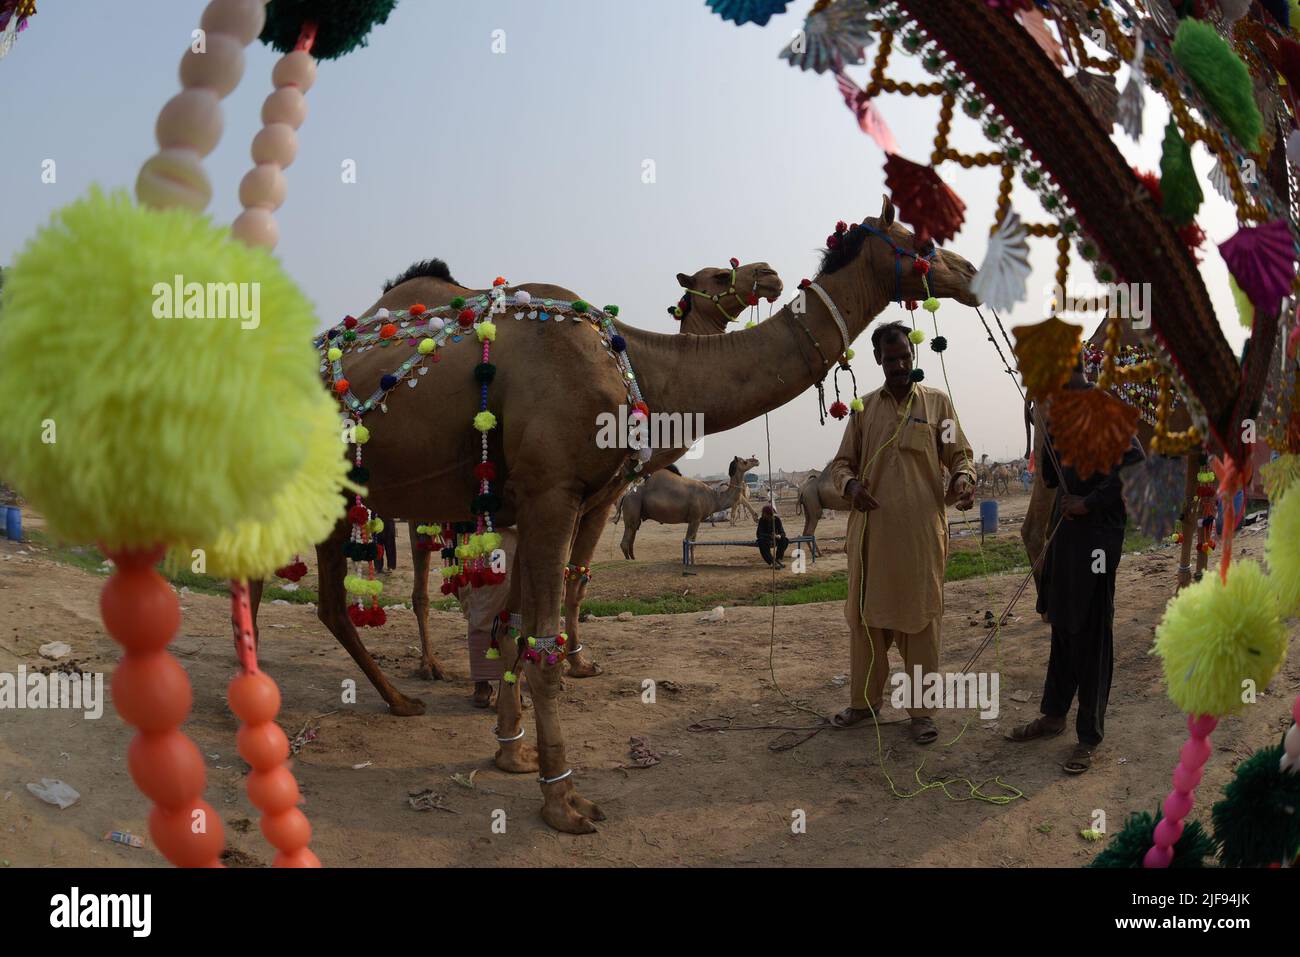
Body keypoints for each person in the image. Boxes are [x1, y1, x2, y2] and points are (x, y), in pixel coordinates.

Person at [828, 321, 976, 744]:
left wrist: (964, 479)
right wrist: (851, 487)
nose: (898, 366)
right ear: (878, 359)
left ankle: (921, 714)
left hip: (920, 541)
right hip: (872, 541)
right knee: (866, 623)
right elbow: (841, 465)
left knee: (921, 625)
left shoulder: (937, 405)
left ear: (913, 358)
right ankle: (864, 703)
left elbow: (961, 455)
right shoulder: (862, 411)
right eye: (890, 359)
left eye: (904, 358)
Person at [1005, 361, 1143, 773]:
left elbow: (1134, 467)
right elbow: (1051, 477)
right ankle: (1053, 714)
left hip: (1098, 537)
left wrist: (1089, 501)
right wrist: (1042, 431)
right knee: (1063, 623)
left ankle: (1088, 735)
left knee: (1092, 629)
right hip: (1065, 532)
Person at [457, 527, 516, 708]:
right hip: (499, 531)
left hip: (476, 530)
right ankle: (505, 688)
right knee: (507, 599)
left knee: (479, 597)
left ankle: (482, 686)